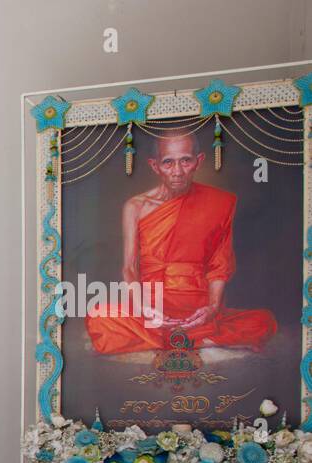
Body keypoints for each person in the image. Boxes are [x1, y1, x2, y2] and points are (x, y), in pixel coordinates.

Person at [84, 131, 277, 355]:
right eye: (168, 162)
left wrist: (212, 308)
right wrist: (143, 308)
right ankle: (203, 339)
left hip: (196, 306)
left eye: (185, 160)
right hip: (152, 302)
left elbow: (219, 265)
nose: (177, 171)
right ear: (155, 166)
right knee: (99, 318)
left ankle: (186, 335)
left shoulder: (219, 203)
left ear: (198, 161)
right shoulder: (135, 206)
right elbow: (129, 267)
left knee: (264, 321)